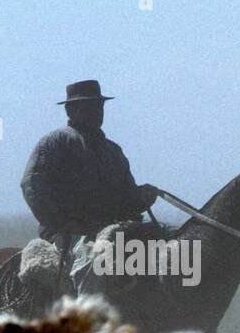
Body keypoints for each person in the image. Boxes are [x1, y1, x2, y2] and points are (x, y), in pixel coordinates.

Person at [20, 80, 157, 295]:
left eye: (100, 106)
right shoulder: (54, 142)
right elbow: (32, 185)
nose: (97, 111)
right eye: (89, 106)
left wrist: (142, 198)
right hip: (70, 236)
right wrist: (62, 223)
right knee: (94, 262)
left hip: (112, 232)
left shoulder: (113, 151)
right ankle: (86, 320)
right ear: (70, 109)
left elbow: (127, 200)